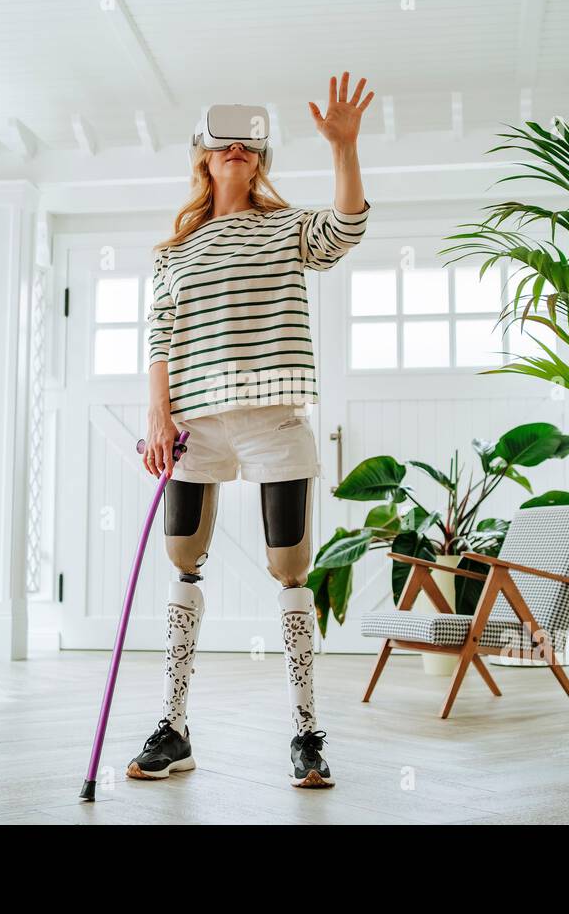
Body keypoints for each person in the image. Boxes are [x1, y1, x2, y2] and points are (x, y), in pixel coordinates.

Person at [126, 74, 374, 789]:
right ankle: (174, 729)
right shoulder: (173, 251)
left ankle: (306, 734)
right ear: (203, 158)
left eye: (248, 143)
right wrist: (156, 418)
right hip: (195, 429)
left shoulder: (288, 224)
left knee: (289, 570)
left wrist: (345, 147)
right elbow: (160, 336)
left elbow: (348, 226)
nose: (236, 149)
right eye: (222, 142)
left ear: (259, 159)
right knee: (182, 561)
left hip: (275, 422)